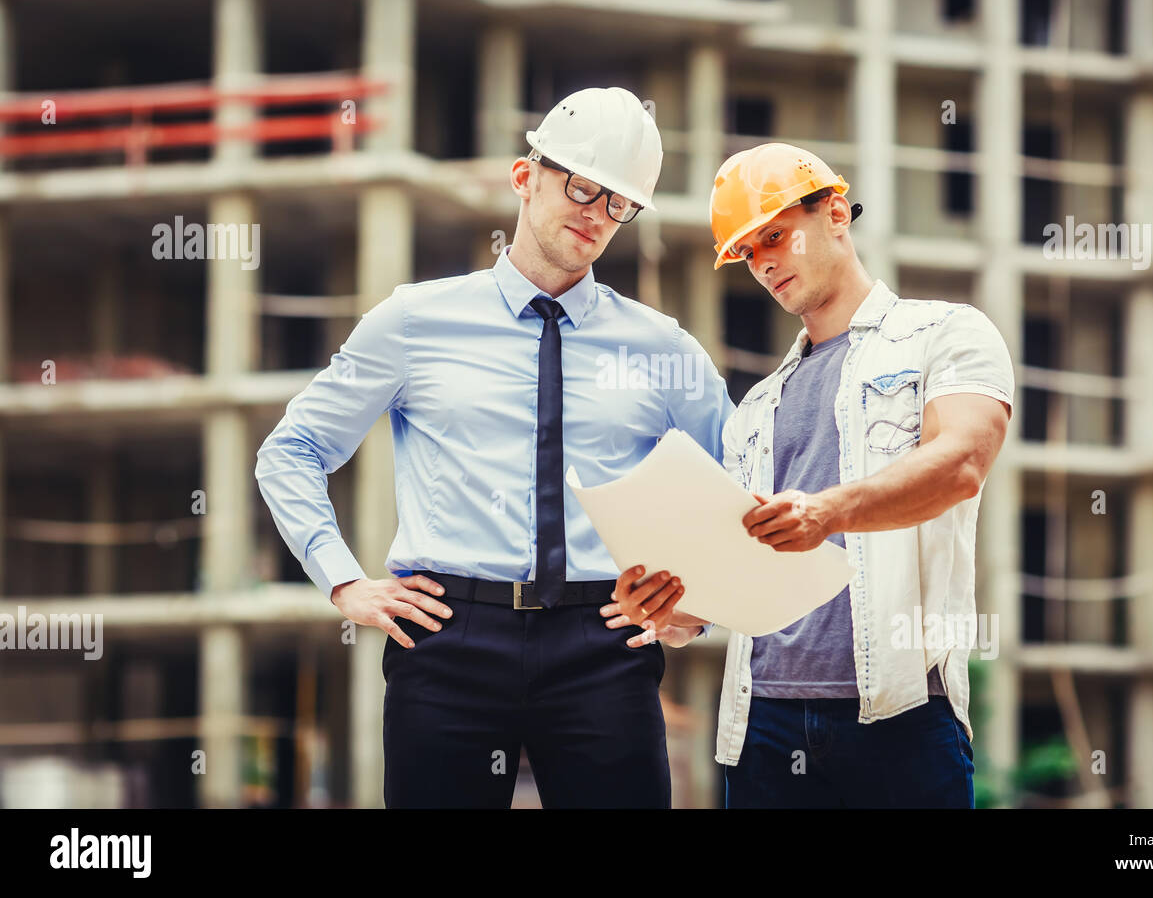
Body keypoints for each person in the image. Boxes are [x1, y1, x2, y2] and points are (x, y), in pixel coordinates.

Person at [255, 86, 733, 808]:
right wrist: (343, 580)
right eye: (581, 186)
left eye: (617, 204)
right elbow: (291, 451)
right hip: (448, 637)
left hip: (603, 640)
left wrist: (694, 608)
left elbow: (736, 485)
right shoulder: (415, 321)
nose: (596, 215)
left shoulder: (661, 346)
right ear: (524, 176)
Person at [603, 142, 1013, 807]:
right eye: (747, 252)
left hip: (903, 718)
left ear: (835, 215)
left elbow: (962, 464)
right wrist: (670, 611)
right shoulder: (757, 408)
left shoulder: (945, 334)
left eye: (774, 236)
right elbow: (726, 579)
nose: (763, 262)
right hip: (763, 725)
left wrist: (827, 512)